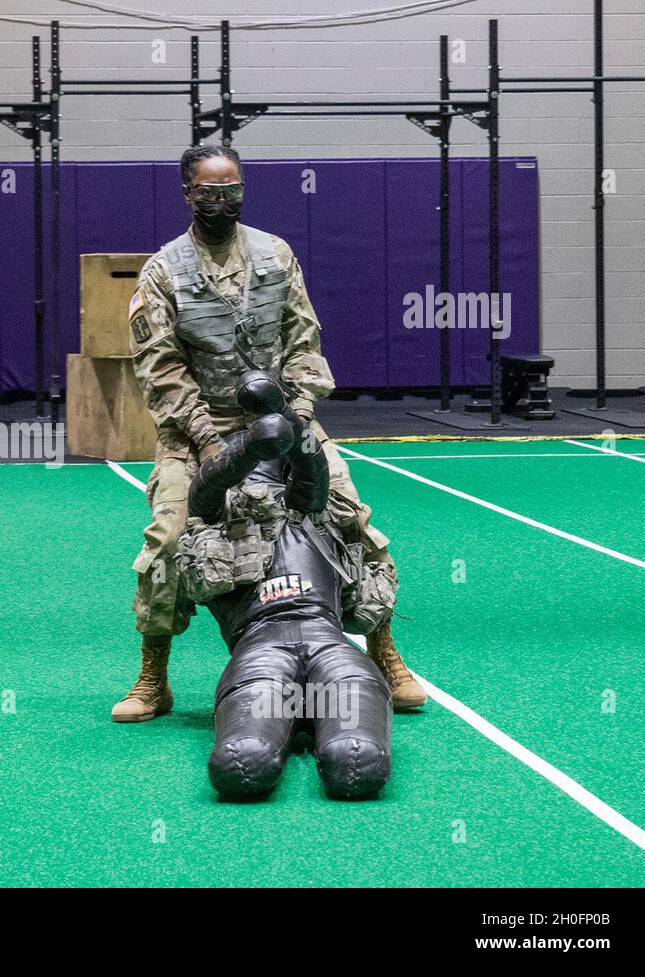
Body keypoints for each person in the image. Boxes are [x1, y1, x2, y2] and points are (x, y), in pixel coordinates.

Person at [114, 143, 425, 723]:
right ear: (188, 194)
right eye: (209, 192)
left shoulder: (276, 255)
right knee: (168, 534)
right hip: (197, 428)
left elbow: (304, 342)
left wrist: (298, 417)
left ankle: (383, 648)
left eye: (232, 190)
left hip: (284, 417)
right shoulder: (163, 272)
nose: (222, 201)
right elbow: (160, 369)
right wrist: (210, 440)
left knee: (349, 515)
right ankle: (153, 674)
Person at [182, 372, 393, 800]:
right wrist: (246, 446)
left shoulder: (310, 511)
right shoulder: (214, 524)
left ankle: (324, 724)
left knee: (356, 759)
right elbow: (205, 490)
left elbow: (312, 466)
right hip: (261, 649)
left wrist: (287, 421)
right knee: (244, 761)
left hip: (328, 643)